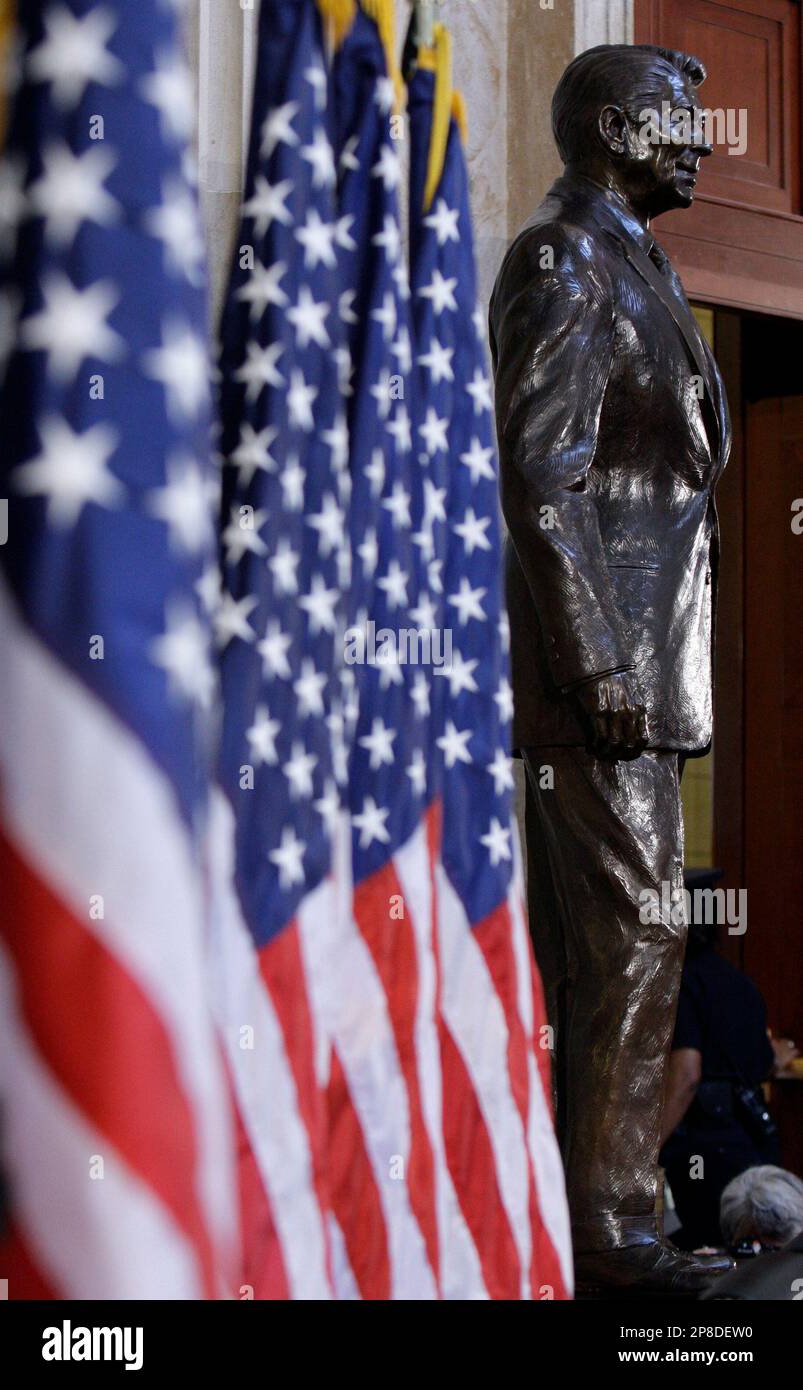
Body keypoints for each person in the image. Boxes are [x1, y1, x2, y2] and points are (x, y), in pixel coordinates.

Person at [490, 43, 735, 1294]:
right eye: (674, 119)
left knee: (611, 948)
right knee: (634, 940)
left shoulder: (637, 259)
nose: (701, 139)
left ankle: (580, 1225)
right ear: (602, 126)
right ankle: (616, 1240)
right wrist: (595, 665)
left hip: (634, 684)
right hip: (600, 689)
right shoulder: (564, 256)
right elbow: (542, 476)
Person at [660, 918, 798, 1249]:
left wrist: (648, 1146)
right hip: (751, 1143)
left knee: (703, 1257)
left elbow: (687, 1075)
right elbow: (761, 1061)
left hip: (701, 1150)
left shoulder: (681, 982)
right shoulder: (740, 982)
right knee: (760, 1259)